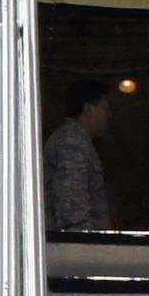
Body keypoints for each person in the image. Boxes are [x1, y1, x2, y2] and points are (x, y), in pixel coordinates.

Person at [42, 76, 118, 236]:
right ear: (88, 109)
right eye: (106, 108)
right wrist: (83, 241)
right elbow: (71, 199)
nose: (109, 115)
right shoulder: (73, 142)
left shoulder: (76, 139)